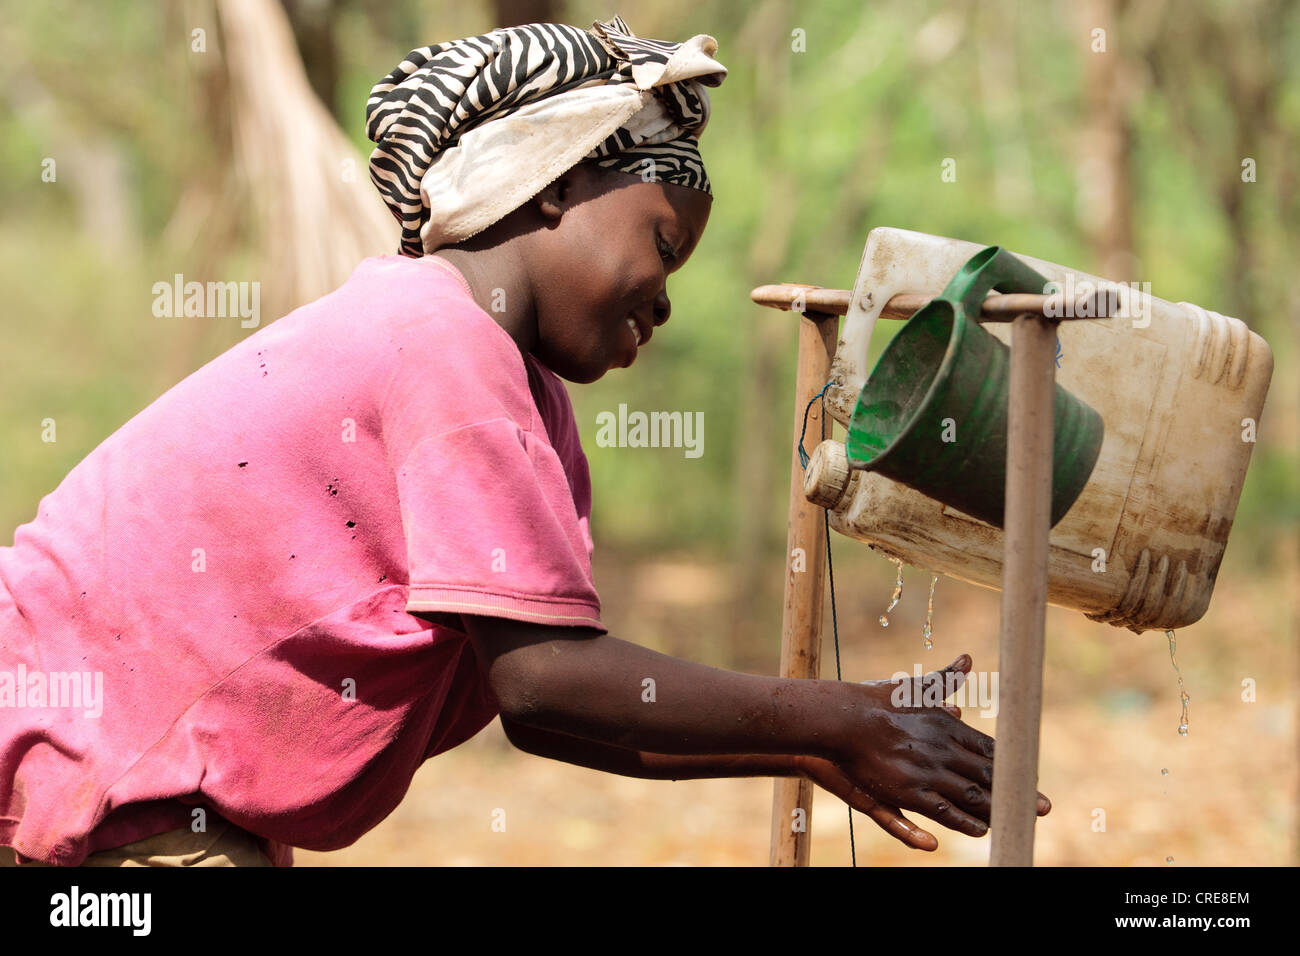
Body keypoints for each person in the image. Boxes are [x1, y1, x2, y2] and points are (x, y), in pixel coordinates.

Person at [0, 16, 1047, 867]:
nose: (667, 304)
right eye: (662, 246)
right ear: (554, 182)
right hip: (93, 775)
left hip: (133, 791)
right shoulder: (439, 344)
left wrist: (813, 740)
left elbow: (559, 710)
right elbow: (546, 682)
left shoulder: (493, 373)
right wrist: (833, 718)